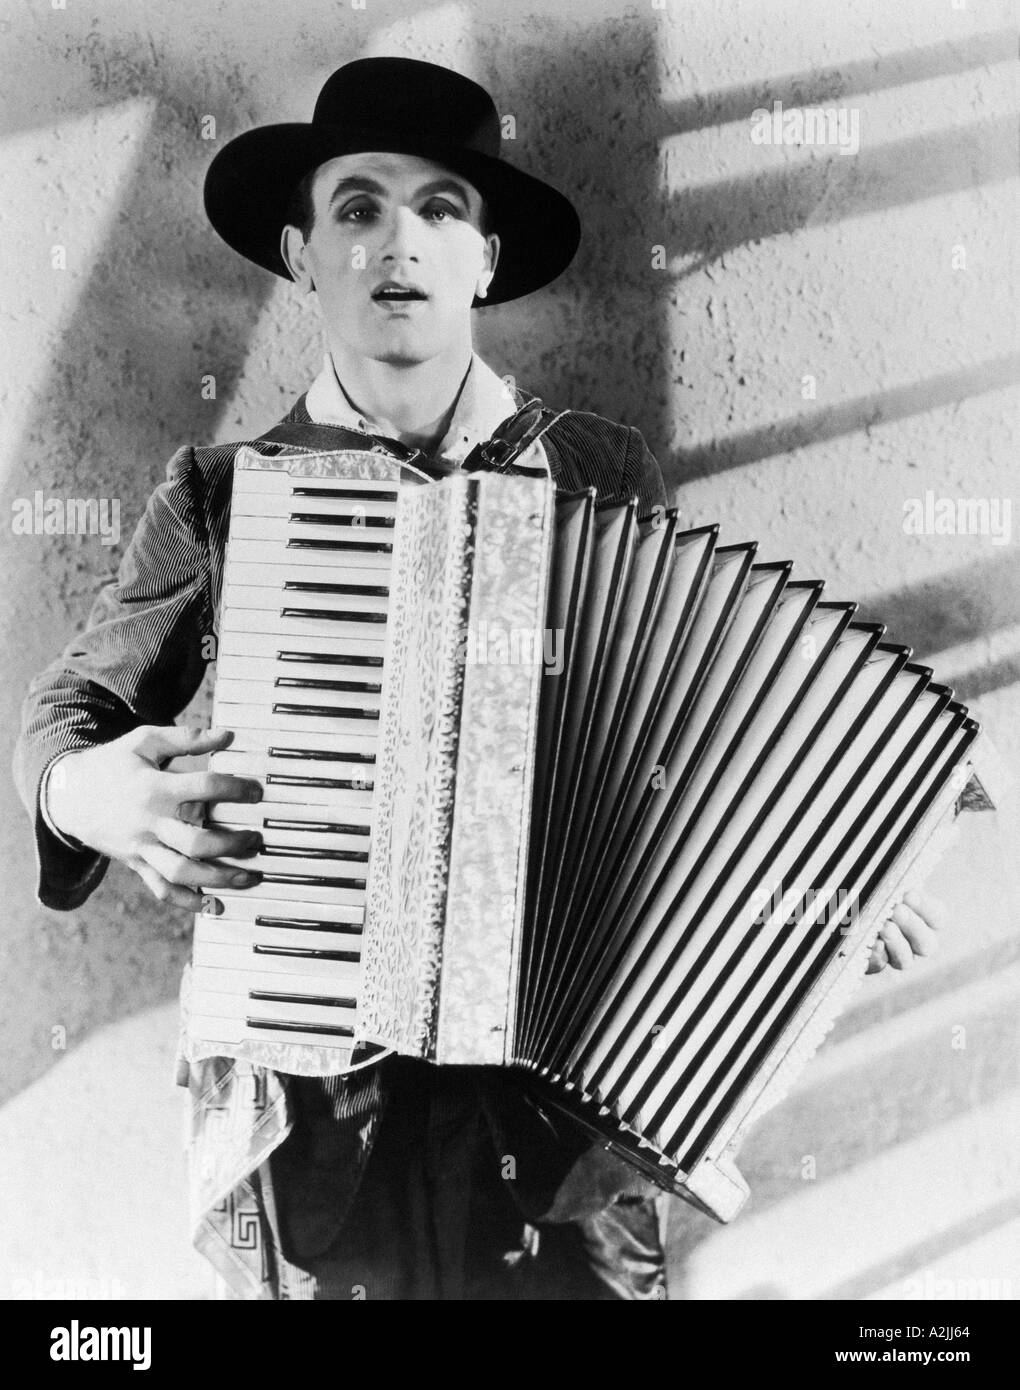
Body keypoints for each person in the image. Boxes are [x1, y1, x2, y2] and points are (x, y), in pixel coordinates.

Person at [13, 56, 943, 1301]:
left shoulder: (594, 470)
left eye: (442, 209)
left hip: (567, 1133)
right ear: (300, 253)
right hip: (325, 1130)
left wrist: (814, 900)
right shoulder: (223, 494)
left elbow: (686, 745)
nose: (400, 242)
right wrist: (85, 795)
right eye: (358, 208)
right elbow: (70, 713)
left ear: (485, 260)